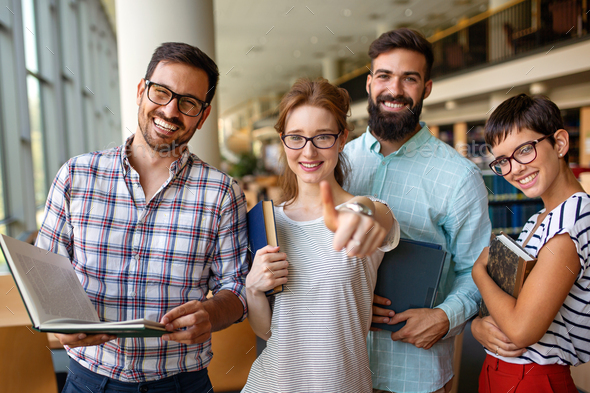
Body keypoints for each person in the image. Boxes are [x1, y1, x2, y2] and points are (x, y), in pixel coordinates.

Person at [35, 42, 249, 392]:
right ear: (141, 91)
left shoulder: (222, 193)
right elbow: (43, 274)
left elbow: (237, 288)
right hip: (88, 380)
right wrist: (58, 323)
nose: (170, 110)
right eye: (161, 93)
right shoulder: (76, 175)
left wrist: (211, 314)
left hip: (181, 383)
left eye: (188, 102)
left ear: (203, 115)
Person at [344, 28, 492, 393]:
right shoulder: (340, 162)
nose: (394, 90)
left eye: (409, 78)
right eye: (384, 76)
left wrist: (445, 316)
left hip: (414, 373)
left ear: (426, 88)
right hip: (339, 367)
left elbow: (476, 269)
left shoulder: (459, 177)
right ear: (368, 83)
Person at [241, 78, 400, 393]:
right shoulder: (265, 222)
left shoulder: (368, 213)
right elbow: (266, 332)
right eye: (296, 138)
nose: (308, 151)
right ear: (283, 141)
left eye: (323, 137)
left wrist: (362, 210)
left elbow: (377, 217)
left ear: (342, 139)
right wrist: (254, 289)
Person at [471, 94, 588, 392]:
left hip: (534, 379)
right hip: (500, 371)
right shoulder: (541, 217)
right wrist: (478, 327)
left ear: (559, 143)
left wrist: (478, 273)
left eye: (524, 150)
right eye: (503, 161)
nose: (515, 169)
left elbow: (522, 330)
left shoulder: (571, 221)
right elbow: (507, 306)